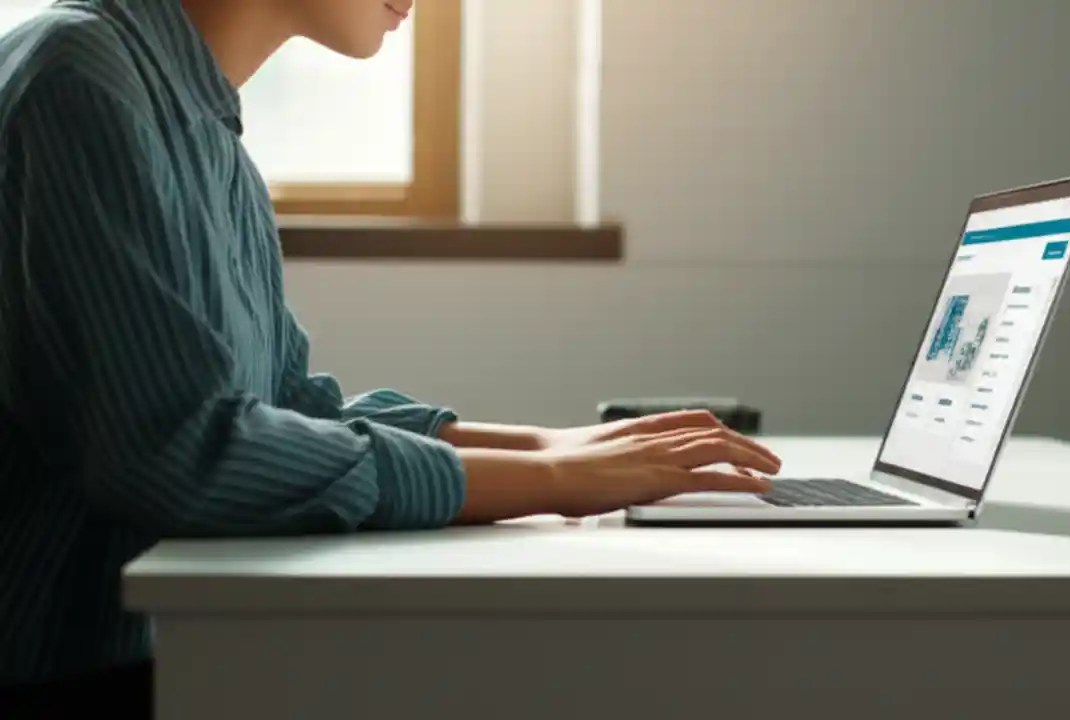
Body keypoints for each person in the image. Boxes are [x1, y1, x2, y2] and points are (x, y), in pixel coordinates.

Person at [0, 0, 781, 716]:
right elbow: (183, 454)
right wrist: (548, 482)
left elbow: (283, 410)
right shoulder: (82, 82)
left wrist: (551, 446)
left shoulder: (202, 133)